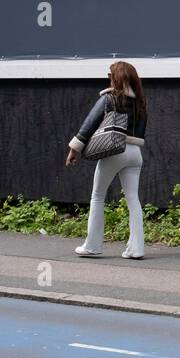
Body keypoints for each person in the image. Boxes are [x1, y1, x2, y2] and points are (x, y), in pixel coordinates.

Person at [65, 61, 147, 259]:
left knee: (98, 196)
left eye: (110, 74)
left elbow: (89, 124)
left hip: (114, 151)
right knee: (133, 200)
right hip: (136, 153)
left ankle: (92, 246)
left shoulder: (109, 98)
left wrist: (74, 148)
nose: (108, 77)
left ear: (115, 77)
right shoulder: (140, 102)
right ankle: (136, 249)